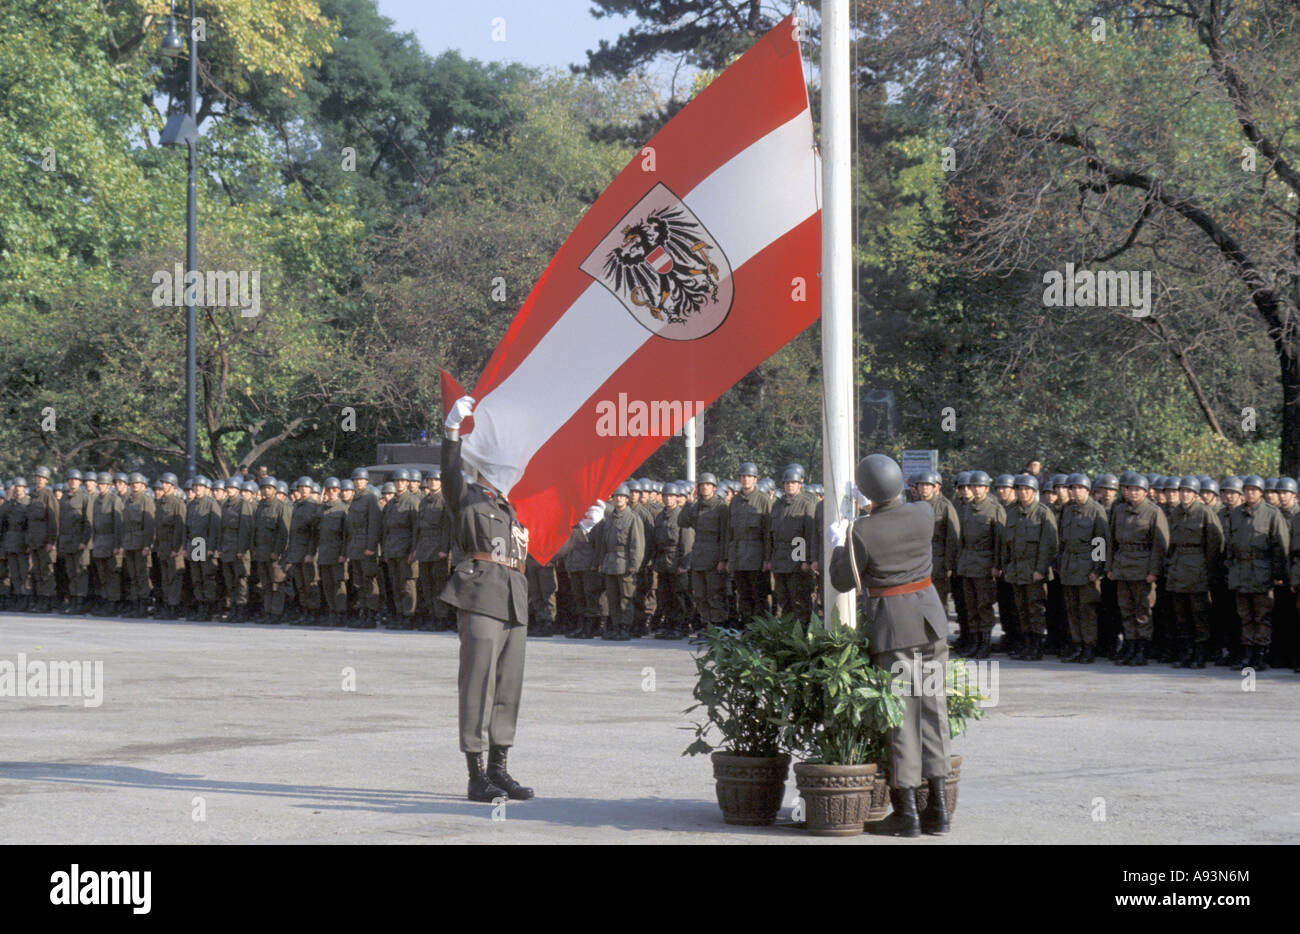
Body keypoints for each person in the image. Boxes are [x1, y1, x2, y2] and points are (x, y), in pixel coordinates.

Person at [828, 453, 951, 838]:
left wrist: (841, 539)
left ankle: (908, 815)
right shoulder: (923, 513)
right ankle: (940, 811)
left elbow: (842, 580)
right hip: (931, 623)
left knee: (901, 720)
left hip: (895, 631)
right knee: (932, 713)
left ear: (865, 491)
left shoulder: (862, 531)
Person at [441, 395, 534, 803]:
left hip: (514, 598)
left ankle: (500, 768)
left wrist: (583, 529)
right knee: (477, 683)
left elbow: (535, 553)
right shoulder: (469, 498)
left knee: (507, 688)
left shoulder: (513, 509)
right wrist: (450, 434)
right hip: (480, 594)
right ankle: (475, 775)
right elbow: (447, 474)